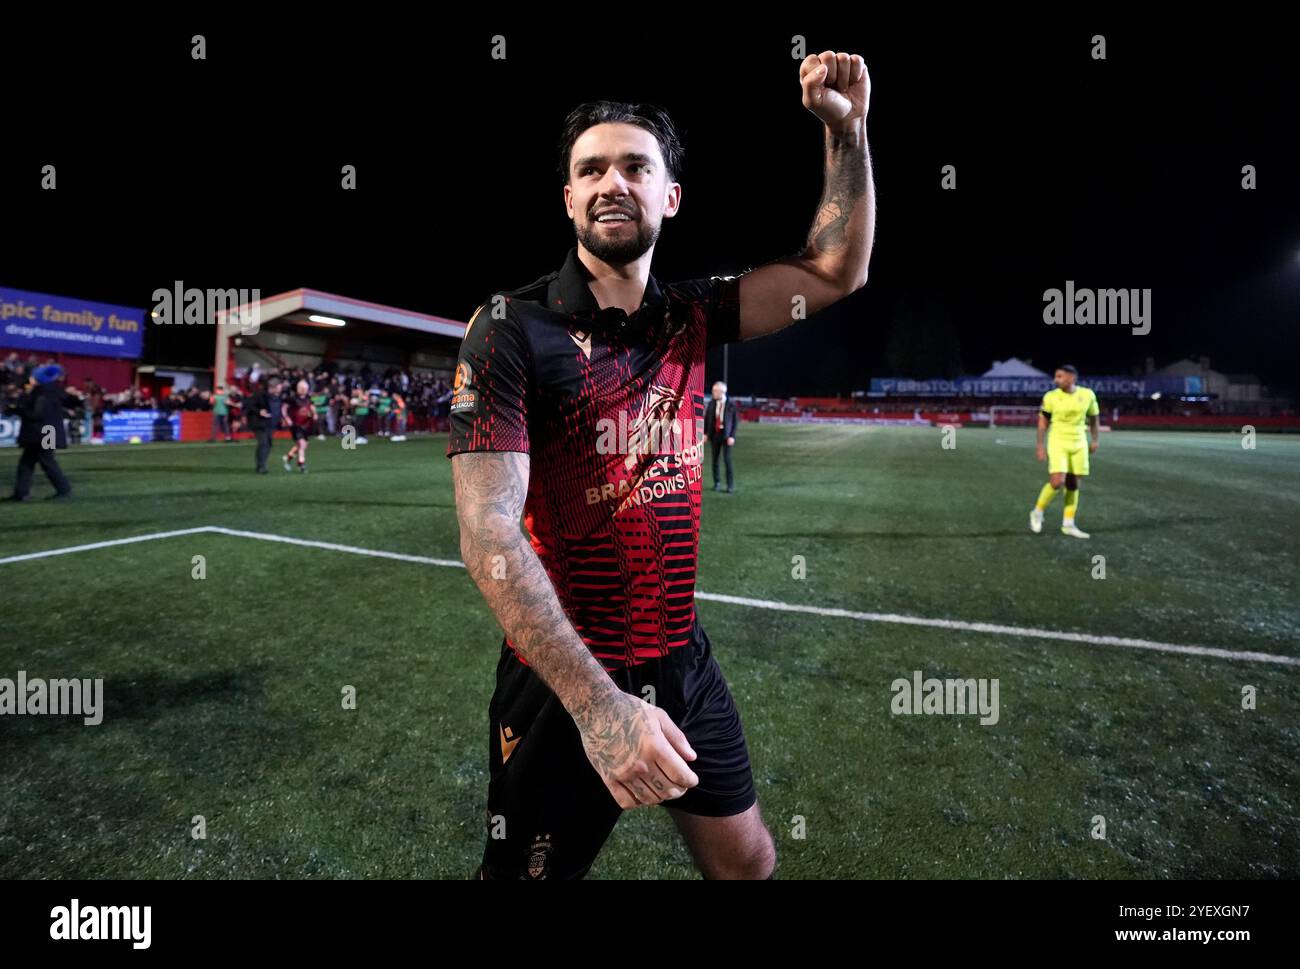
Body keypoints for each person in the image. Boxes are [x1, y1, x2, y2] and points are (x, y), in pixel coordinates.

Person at [449, 50, 874, 880]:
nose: (613, 181)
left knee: (748, 862)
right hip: (565, 677)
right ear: (568, 196)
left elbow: (836, 269)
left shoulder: (692, 314)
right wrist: (600, 707)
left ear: (669, 196)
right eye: (591, 168)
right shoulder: (509, 328)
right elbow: (487, 527)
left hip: (683, 655)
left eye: (636, 166)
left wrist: (846, 130)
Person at [1031, 364, 1100, 539]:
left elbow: (1094, 418)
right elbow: (1043, 422)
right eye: (1056, 376)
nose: (1056, 380)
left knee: (1073, 484)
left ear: (1072, 377)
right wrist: (1040, 445)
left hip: (1079, 443)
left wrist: (1095, 440)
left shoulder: (1087, 395)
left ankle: (1068, 524)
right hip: (1058, 441)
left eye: (1060, 376)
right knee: (1057, 481)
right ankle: (1037, 512)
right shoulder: (1051, 397)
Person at [5, 364, 73, 501]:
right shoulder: (49, 391)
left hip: (43, 432)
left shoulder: (43, 392)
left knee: (46, 462)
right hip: (46, 431)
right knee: (28, 462)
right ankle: (21, 493)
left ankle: (64, 490)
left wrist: (17, 410)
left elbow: (36, 414)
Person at [704, 380, 738, 493]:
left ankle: (730, 485)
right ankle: (717, 482)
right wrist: (705, 434)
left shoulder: (731, 404)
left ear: (722, 391)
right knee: (715, 460)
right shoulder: (711, 403)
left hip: (726, 435)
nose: (713, 392)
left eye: (715, 390)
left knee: (727, 460)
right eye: (713, 390)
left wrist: (732, 436)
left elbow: (735, 422)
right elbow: (707, 419)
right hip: (715, 435)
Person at [247, 377, 284, 473]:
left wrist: (281, 419)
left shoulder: (278, 396)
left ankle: (262, 464)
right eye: (278, 388)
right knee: (263, 443)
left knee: (268, 444)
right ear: (272, 387)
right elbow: (249, 406)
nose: (280, 390)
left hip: (271, 425)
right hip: (260, 424)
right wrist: (259, 411)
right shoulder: (259, 395)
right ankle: (261, 466)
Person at [282, 379, 317, 472]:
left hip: (306, 425)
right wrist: (287, 418)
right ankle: (301, 464)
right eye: (301, 388)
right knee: (301, 444)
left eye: (305, 388)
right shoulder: (292, 398)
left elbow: (312, 407)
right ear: (298, 388)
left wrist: (314, 414)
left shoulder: (308, 398)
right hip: (295, 425)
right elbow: (284, 408)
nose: (303, 389)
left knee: (303, 445)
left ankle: (288, 458)